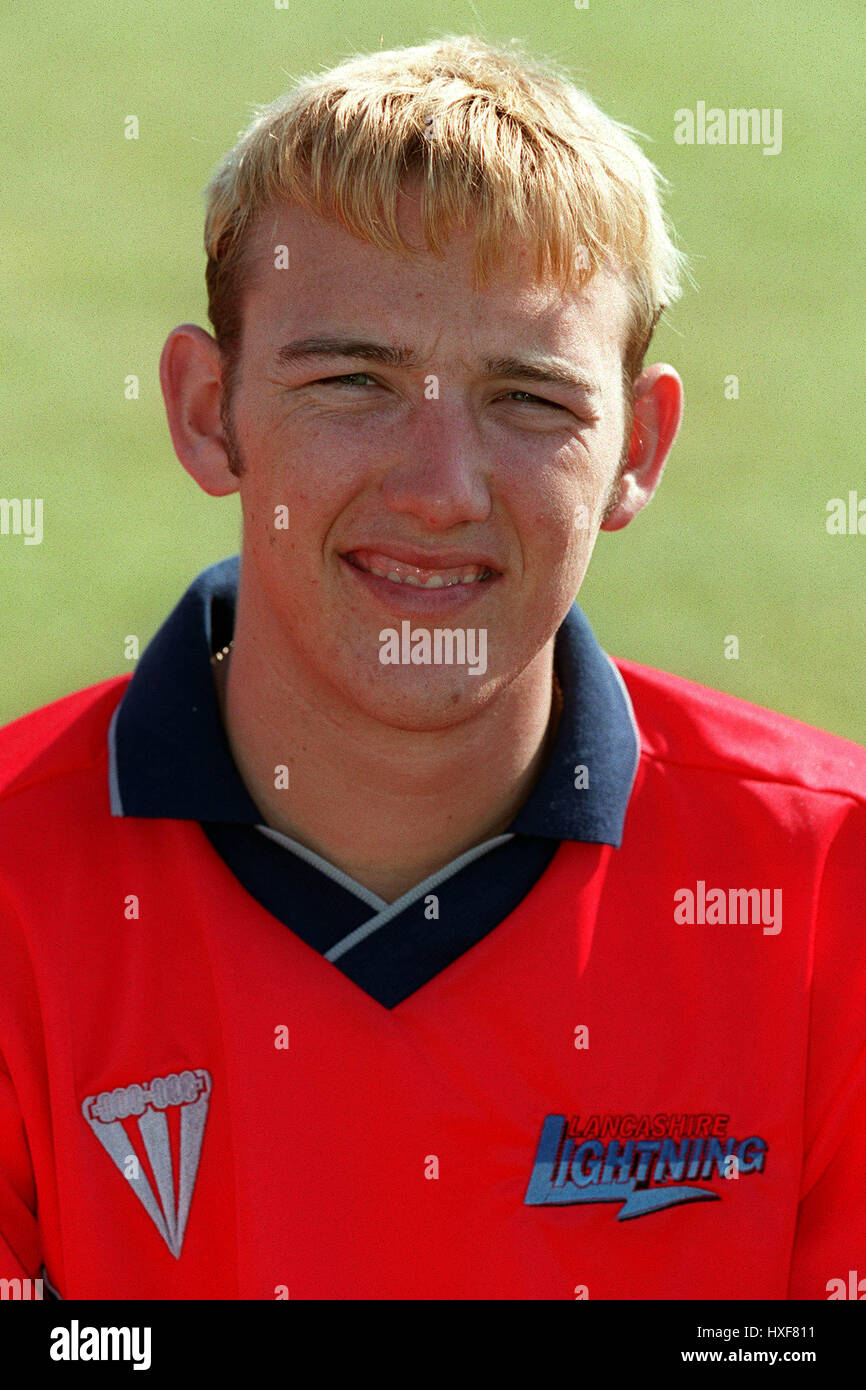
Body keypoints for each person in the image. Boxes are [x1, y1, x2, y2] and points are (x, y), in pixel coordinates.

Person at [0, 34, 863, 1302]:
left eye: (529, 401)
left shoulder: (829, 886)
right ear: (207, 409)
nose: (440, 491)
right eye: (351, 381)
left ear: (639, 448)